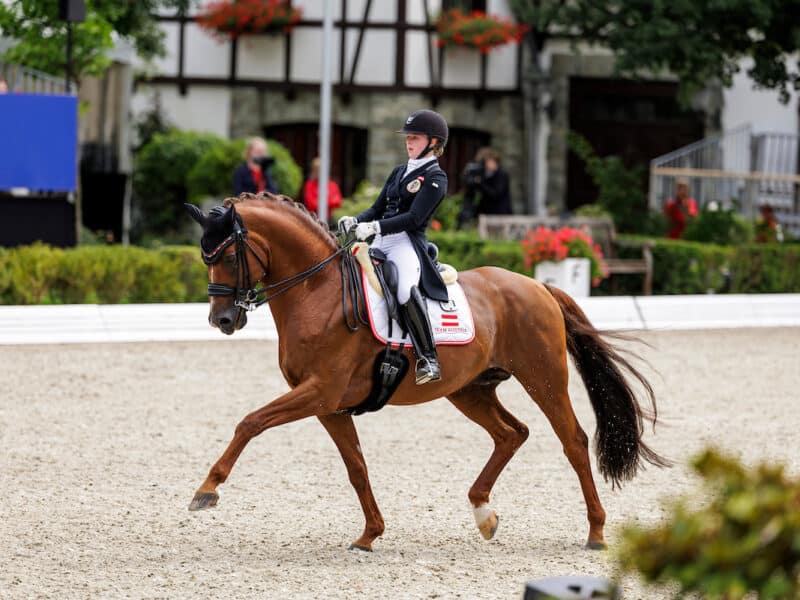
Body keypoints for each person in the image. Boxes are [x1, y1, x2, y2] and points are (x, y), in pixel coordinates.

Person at [338, 109, 449, 385]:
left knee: (404, 289)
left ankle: (429, 359)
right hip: (381, 240)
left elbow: (414, 218)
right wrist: (356, 220)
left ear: (433, 143)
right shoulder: (400, 171)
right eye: (408, 138)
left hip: (405, 243)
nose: (409, 142)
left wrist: (375, 227)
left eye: (415, 138)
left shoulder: (436, 179)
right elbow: (377, 208)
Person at [457, 147, 511, 228]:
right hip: (485, 212)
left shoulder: (501, 175)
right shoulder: (484, 174)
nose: (486, 164)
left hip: (499, 213)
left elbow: (495, 194)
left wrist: (480, 183)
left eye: (488, 161)